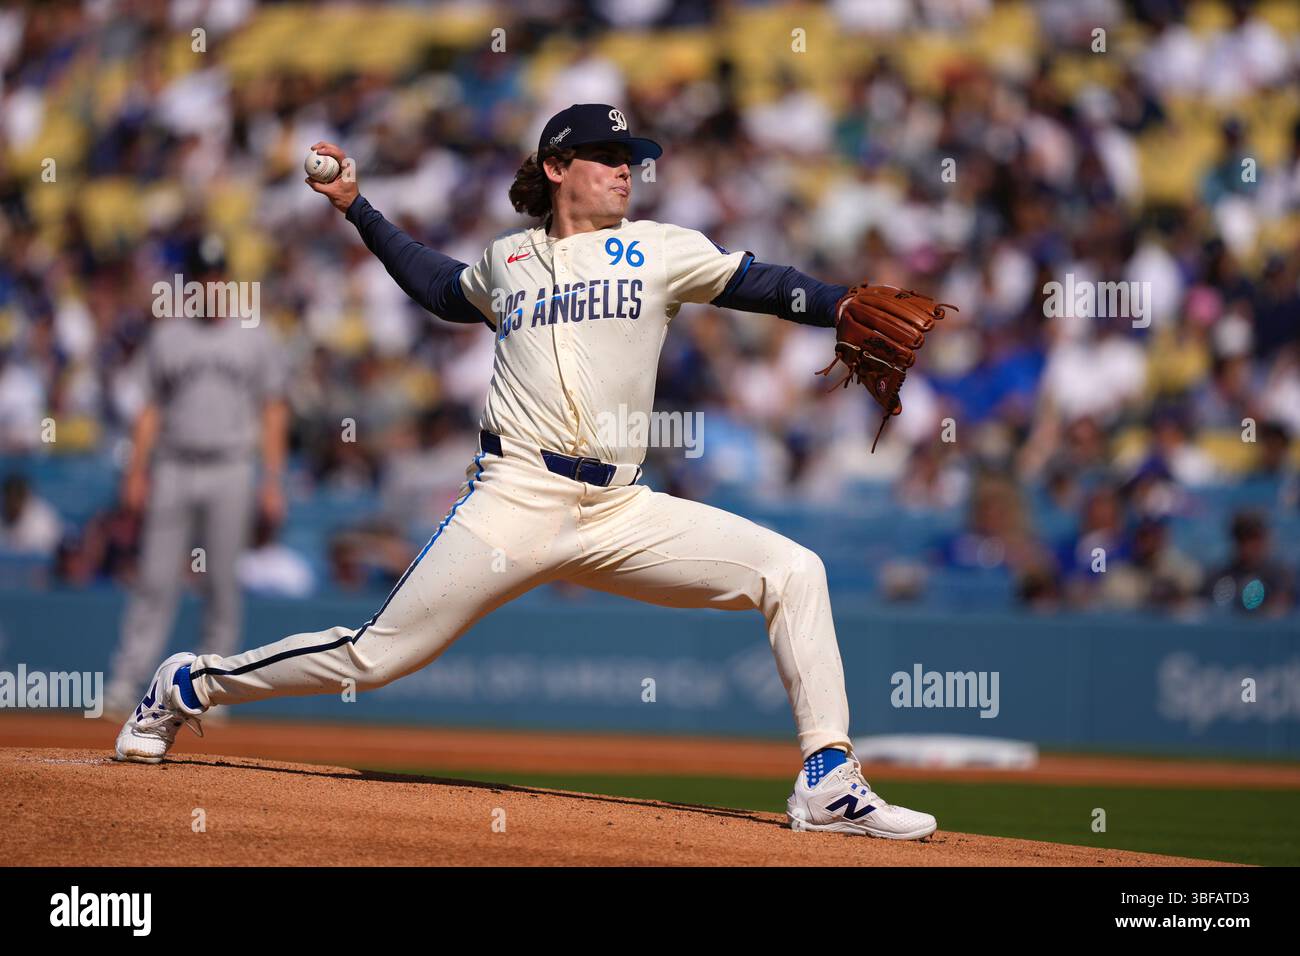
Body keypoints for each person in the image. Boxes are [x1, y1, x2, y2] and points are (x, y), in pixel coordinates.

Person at [113, 104, 937, 841]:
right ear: (555, 167)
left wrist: (836, 305)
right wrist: (357, 208)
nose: (626, 168)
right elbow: (437, 287)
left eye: (632, 157)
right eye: (608, 155)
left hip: (621, 508)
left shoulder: (658, 250)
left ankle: (828, 779)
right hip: (515, 497)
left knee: (795, 570)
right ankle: (187, 683)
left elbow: (760, 282)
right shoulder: (508, 261)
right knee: (375, 659)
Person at [102, 237, 289, 717]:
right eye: (202, 276)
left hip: (230, 466)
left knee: (222, 583)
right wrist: (135, 472)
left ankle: (211, 690)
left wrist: (271, 480)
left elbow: (273, 410)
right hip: (174, 465)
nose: (210, 283)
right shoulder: (169, 336)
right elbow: (148, 409)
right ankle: (126, 682)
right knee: (154, 579)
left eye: (217, 275)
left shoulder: (254, 334)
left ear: (226, 279)